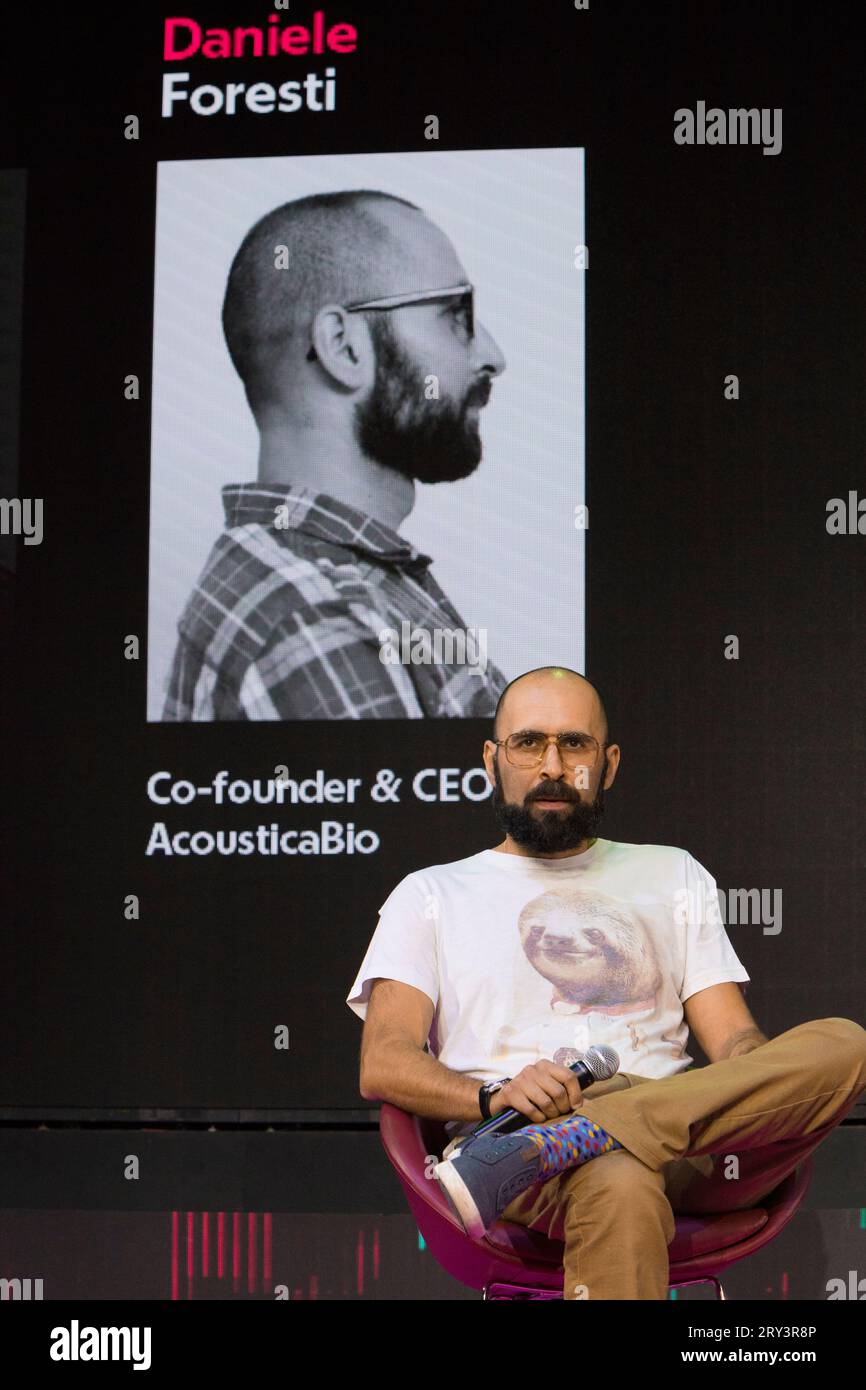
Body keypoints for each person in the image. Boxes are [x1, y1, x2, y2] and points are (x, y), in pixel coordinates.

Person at [345, 665, 866, 1298]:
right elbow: (384, 1060)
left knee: (846, 1043)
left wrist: (757, 1077)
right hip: (524, 1147)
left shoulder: (672, 873)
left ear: (609, 762)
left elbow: (734, 1043)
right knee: (618, 1178)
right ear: (492, 759)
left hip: (694, 1146)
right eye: (529, 742)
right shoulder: (430, 893)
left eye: (575, 743)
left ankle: (598, 1124)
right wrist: (494, 1098)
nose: (553, 767)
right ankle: (575, 1141)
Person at [161, 188, 507, 720]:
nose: (491, 355)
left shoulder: (351, 582)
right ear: (343, 347)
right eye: (455, 313)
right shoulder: (313, 620)